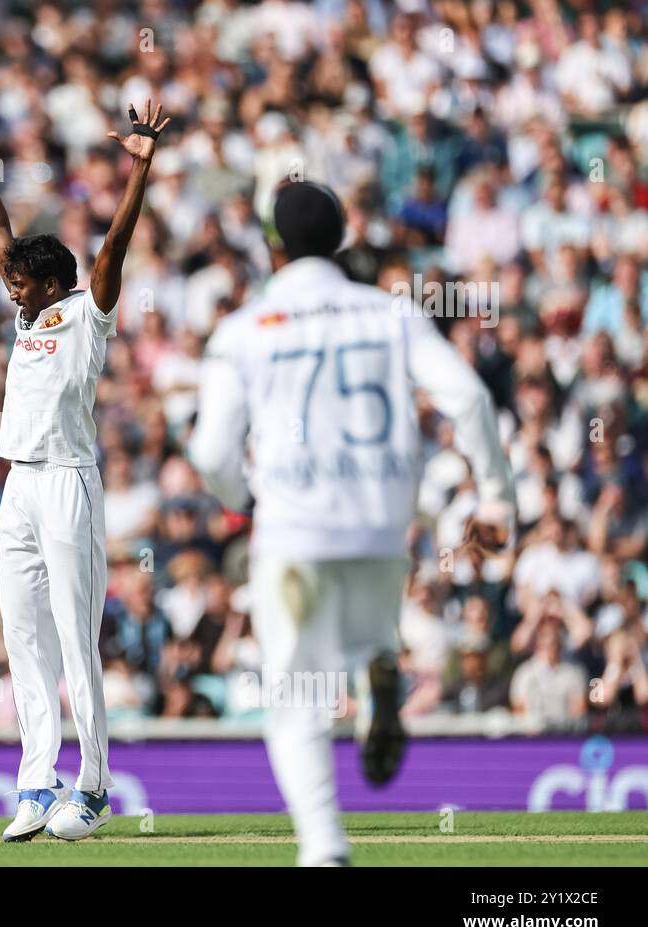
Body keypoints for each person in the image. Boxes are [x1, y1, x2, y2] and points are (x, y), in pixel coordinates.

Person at [188, 180, 515, 865]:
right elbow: (469, 397)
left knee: (294, 689)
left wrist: (240, 498)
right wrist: (494, 499)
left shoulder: (244, 327)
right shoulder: (389, 313)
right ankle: (378, 672)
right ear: (343, 239)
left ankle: (325, 847)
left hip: (294, 531)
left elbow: (212, 451)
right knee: (368, 632)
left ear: (273, 245)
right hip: (380, 523)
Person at [0, 82, 169, 841]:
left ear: (54, 283)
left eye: (22, 279)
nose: (10, 286)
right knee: (23, 637)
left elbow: (114, 247)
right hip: (20, 482)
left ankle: (95, 785)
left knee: (77, 638)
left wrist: (140, 167)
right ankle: (35, 782)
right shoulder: (25, 310)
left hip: (71, 482)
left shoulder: (86, 312)